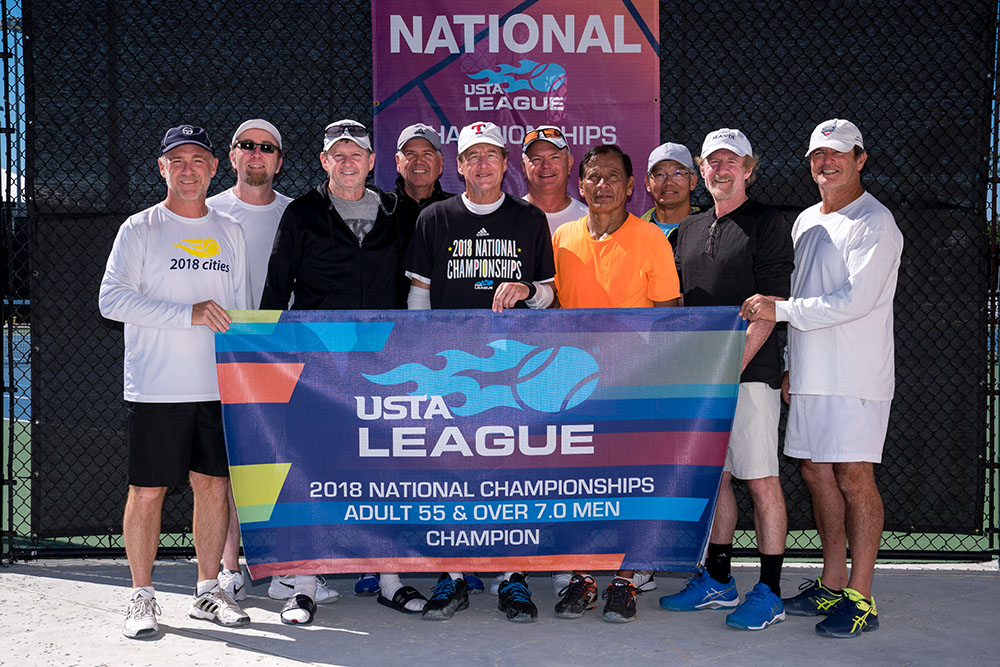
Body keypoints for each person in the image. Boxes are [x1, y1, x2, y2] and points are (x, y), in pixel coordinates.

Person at [741, 119, 902, 638]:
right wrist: (791, 363)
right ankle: (833, 582)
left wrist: (780, 309)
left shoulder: (877, 222)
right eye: (817, 156)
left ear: (860, 158)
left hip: (855, 377)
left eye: (837, 154)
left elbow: (852, 302)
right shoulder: (807, 219)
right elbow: (809, 294)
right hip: (808, 374)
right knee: (814, 473)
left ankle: (862, 597)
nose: (825, 163)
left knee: (854, 478)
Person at [260, 119, 422, 623]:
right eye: (338, 155)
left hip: (384, 365)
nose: (348, 163)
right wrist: (264, 355)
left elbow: (417, 286)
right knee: (313, 471)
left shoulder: (400, 212)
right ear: (325, 161)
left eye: (357, 154)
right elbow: (276, 285)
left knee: (386, 472)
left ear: (372, 162)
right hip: (319, 365)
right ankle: (303, 586)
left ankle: (391, 580)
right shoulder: (302, 212)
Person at [100, 125, 251, 639]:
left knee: (214, 487)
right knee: (146, 493)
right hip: (158, 387)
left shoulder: (231, 230)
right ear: (162, 168)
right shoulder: (139, 229)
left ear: (214, 169)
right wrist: (185, 313)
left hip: (218, 388)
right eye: (177, 160)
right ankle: (141, 597)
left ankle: (208, 589)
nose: (188, 169)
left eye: (198, 160)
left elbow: (242, 310)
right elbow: (111, 300)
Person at [406, 120, 556, 622]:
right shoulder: (434, 217)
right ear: (460, 165)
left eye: (492, 155)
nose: (483, 164)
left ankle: (511, 578)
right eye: (473, 156)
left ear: (505, 164)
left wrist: (527, 291)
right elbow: (419, 295)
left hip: (511, 374)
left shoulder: (530, 219)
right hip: (450, 371)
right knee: (451, 474)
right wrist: (424, 360)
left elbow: (549, 293)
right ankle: (452, 577)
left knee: (510, 475)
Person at [660, 128, 794, 632]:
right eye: (712, 162)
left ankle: (771, 591)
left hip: (749, 377)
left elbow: (769, 307)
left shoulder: (767, 223)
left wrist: (728, 370)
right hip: (703, 382)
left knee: (761, 480)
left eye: (731, 162)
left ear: (749, 169)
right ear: (701, 170)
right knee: (716, 482)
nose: (721, 169)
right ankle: (718, 580)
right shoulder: (689, 230)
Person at [207, 119, 341, 608]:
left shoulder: (297, 212)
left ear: (280, 161)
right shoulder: (207, 209)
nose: (256, 154)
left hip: (283, 356)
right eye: (247, 146)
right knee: (227, 465)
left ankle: (286, 569)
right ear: (233, 155)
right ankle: (227, 569)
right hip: (222, 355)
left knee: (279, 465)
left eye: (267, 148)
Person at [550, 144, 680, 623]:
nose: (600, 185)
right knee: (578, 486)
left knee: (633, 488)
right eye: (592, 177)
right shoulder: (562, 237)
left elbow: (668, 320)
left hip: (635, 388)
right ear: (579, 186)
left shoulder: (652, 240)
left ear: (630, 187)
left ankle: (626, 582)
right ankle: (582, 578)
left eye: (611, 177)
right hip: (576, 389)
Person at [520, 125, 589, 235]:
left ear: (569, 163)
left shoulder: (588, 220)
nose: (546, 165)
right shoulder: (509, 218)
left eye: (554, 158)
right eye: (536, 159)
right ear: (523, 167)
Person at [640, 142, 700, 245]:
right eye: (659, 174)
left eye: (677, 173)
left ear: (693, 181)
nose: (668, 182)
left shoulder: (709, 228)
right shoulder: (635, 232)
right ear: (648, 183)